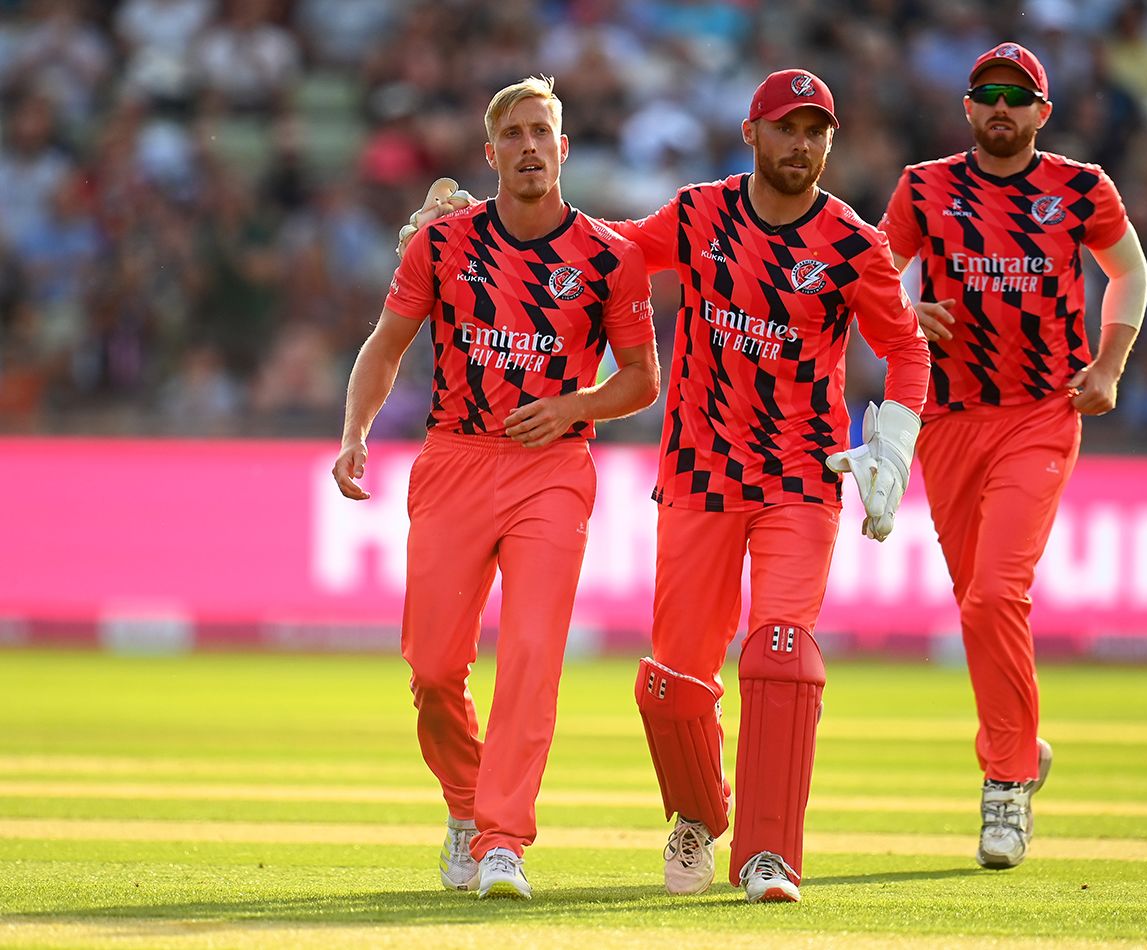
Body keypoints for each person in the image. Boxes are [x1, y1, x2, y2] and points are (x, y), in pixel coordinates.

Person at [399, 68, 930, 903]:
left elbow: (908, 349)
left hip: (801, 476)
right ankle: (695, 814)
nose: (801, 145)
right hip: (698, 476)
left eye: (816, 131)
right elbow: (592, 247)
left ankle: (767, 856)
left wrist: (893, 446)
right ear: (751, 134)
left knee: (781, 653)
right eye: (786, 128)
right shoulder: (699, 214)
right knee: (675, 684)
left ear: (831, 142)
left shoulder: (852, 243)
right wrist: (467, 224)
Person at [332, 76, 660, 901]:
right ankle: (466, 806)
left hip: (552, 469)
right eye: (512, 134)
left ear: (563, 148)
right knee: (435, 668)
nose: (527, 146)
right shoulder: (441, 245)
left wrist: (575, 407)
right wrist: (355, 435)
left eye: (540, 131)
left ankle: (504, 840)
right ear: (491, 153)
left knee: (530, 657)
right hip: (454, 461)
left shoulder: (608, 257)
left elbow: (643, 381)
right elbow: (385, 347)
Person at [879, 43, 1147, 870]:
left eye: (1017, 97)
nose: (1002, 108)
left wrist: (1109, 365)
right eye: (987, 95)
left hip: (1040, 413)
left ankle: (1003, 788)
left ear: (1043, 112)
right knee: (977, 606)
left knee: (998, 593)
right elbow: (874, 273)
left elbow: (1129, 273)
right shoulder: (923, 186)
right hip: (948, 421)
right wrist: (904, 311)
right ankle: (1023, 750)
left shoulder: (1081, 186)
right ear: (968, 108)